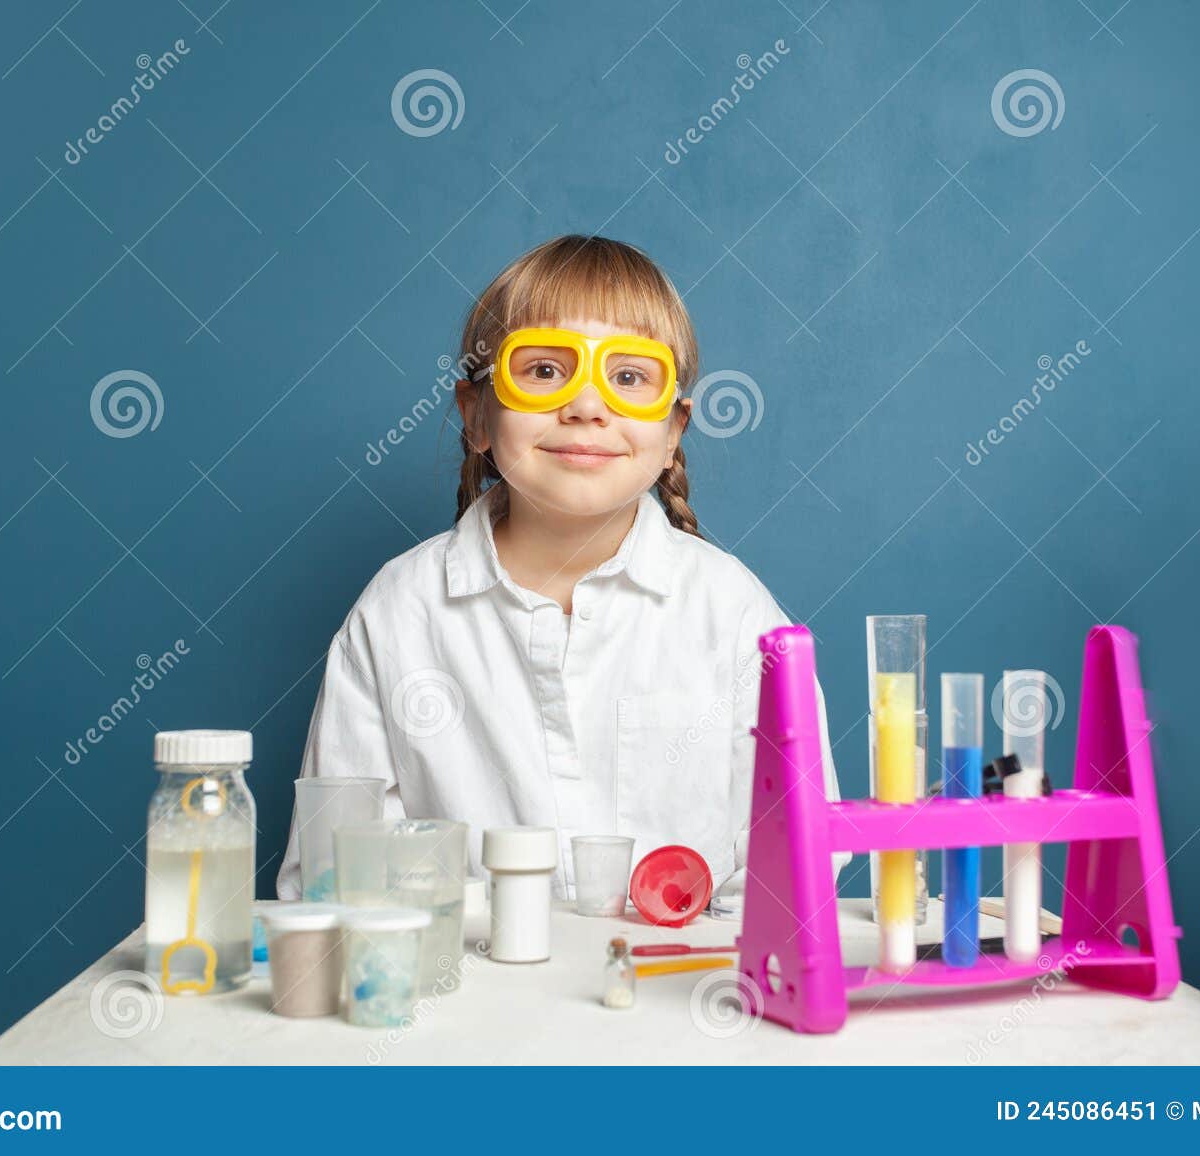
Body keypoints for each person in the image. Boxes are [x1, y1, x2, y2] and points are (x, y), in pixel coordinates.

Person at [277, 234, 840, 904]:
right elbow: (338, 877)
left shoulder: (732, 610)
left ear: (672, 433)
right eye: (545, 371)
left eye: (628, 377)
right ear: (476, 416)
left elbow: (800, 861)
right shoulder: (399, 612)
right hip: (468, 998)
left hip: (680, 994)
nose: (587, 406)